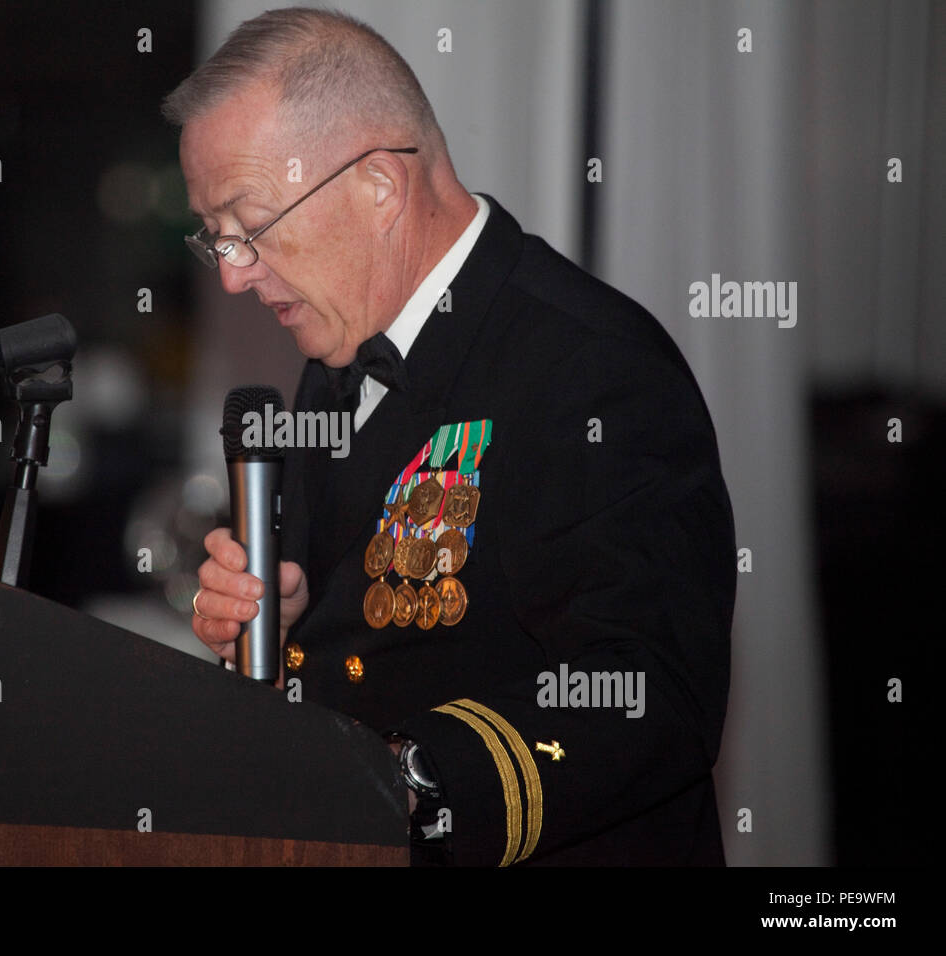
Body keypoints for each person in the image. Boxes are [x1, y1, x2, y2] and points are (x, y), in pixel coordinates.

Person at [166, 7, 735, 865]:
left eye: (250, 225)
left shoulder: (592, 366)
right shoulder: (331, 365)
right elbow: (355, 637)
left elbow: (653, 694)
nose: (237, 274)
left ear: (379, 187)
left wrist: (416, 778)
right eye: (218, 240)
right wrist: (276, 629)